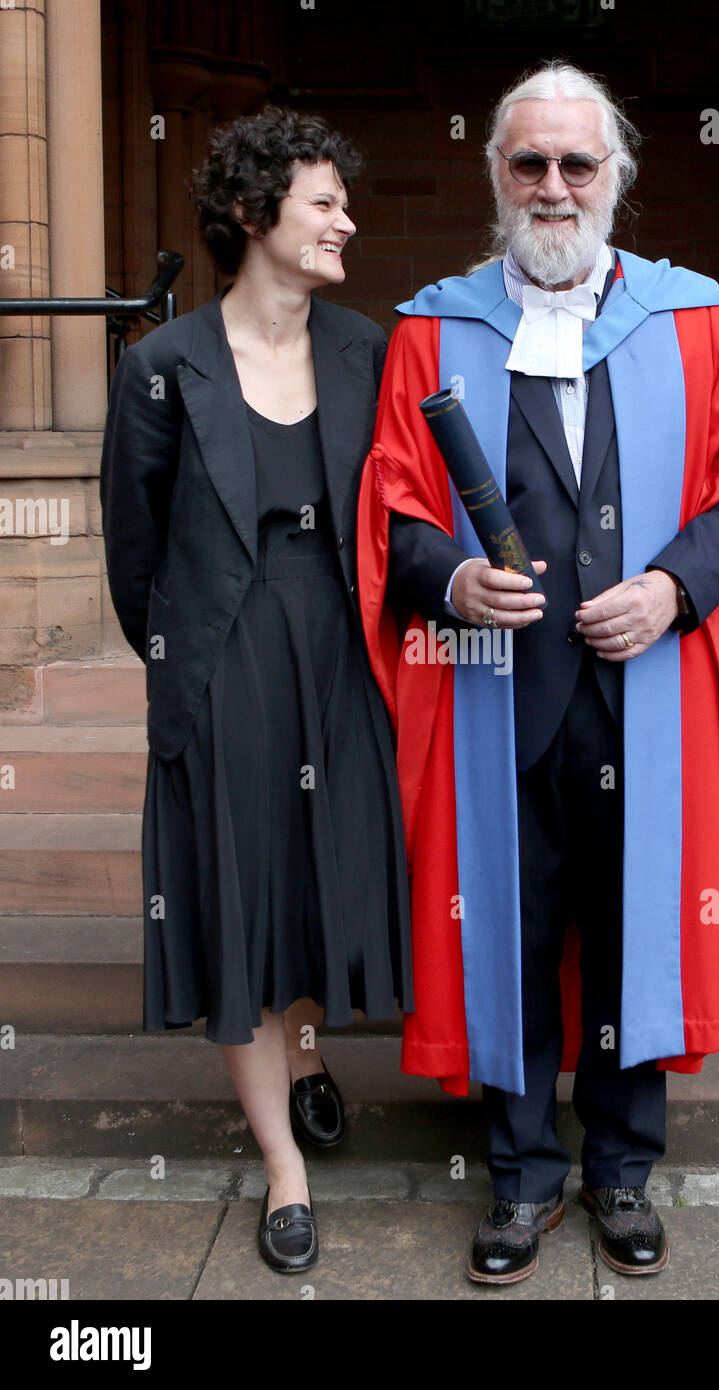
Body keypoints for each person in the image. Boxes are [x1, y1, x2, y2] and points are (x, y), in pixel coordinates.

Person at [357, 62, 719, 1285]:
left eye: (576, 165)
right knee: (506, 916)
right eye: (528, 164)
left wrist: (670, 589)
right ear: (495, 175)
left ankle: (619, 1168)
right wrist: (449, 583)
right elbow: (391, 499)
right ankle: (517, 1177)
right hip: (497, 695)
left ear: (616, 180)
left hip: (639, 692)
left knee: (632, 923)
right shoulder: (434, 325)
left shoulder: (695, 319)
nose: (552, 187)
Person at [100, 105, 412, 1274]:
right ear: (252, 214)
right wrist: (194, 664)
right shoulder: (159, 367)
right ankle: (282, 1163)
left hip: (338, 654)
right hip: (223, 662)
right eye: (323, 202)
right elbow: (134, 561)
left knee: (311, 879)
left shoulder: (366, 350)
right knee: (237, 891)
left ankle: (306, 1049)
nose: (345, 221)